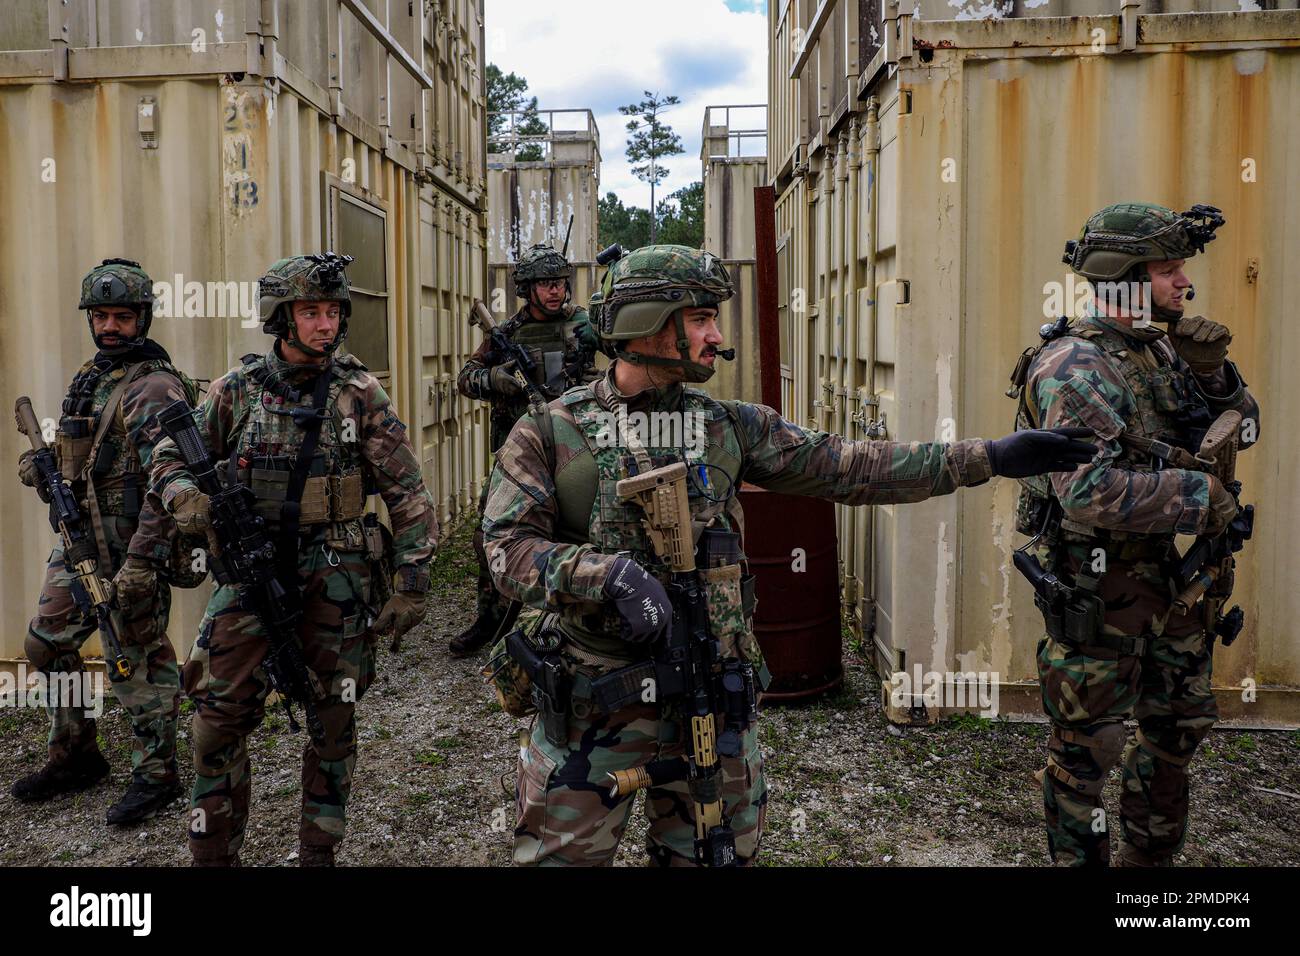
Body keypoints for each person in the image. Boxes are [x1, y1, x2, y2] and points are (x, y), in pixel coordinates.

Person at [481, 243, 1098, 866]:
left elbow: (849, 467)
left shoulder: (728, 426)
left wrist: (989, 458)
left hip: (711, 701)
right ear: (647, 321)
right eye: (699, 319)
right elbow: (506, 550)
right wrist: (604, 574)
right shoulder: (551, 431)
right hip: (597, 705)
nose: (717, 335)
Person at [149, 253, 438, 866]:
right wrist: (189, 501)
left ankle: (318, 853)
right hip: (253, 579)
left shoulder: (360, 392)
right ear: (281, 318)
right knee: (215, 720)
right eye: (311, 312)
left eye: (333, 311)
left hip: (340, 580)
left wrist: (411, 583)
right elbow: (168, 458)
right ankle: (213, 852)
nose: (325, 324)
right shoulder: (236, 391)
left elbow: (407, 492)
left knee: (334, 723)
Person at [1009, 202, 1260, 866]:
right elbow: (1086, 491)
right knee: (1084, 763)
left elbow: (1247, 428)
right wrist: (1198, 497)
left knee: (1175, 737)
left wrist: (1214, 376)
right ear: (1126, 274)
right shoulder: (1076, 364)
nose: (1186, 284)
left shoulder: (1163, 351)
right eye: (1172, 269)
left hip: (1176, 591)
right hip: (1102, 597)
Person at [13, 258, 192, 825]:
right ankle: (75, 754)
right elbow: (75, 453)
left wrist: (142, 561)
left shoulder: (155, 386)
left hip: (130, 546)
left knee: (133, 657)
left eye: (122, 317)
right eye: (101, 316)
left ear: (143, 319)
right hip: (80, 539)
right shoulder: (94, 377)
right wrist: (39, 467)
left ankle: (157, 774)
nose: (110, 327)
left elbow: (169, 480)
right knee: (46, 642)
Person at [449, 242, 599, 657]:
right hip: (518, 458)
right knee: (491, 534)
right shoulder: (507, 335)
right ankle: (490, 617)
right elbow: (465, 379)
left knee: (589, 531)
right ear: (527, 289)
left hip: (578, 452)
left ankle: (582, 615)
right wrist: (498, 378)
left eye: (560, 283)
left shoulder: (586, 325)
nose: (556, 291)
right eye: (546, 284)